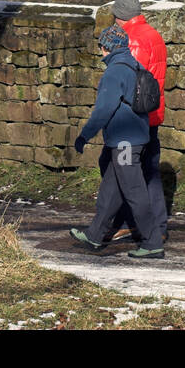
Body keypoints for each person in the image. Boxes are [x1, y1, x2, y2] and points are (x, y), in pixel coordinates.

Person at [69, 24, 164, 259]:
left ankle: (152, 243)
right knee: (111, 191)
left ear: (106, 47)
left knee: (134, 192)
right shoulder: (134, 64)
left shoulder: (114, 72)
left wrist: (84, 135)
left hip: (124, 143)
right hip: (135, 138)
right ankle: (94, 236)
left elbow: (103, 110)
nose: (101, 52)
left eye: (101, 47)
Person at [98, 0, 168, 244]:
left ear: (119, 17)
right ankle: (156, 225)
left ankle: (131, 224)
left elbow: (127, 80)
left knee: (115, 168)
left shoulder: (132, 40)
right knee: (148, 171)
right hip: (152, 115)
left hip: (132, 121)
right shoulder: (153, 34)